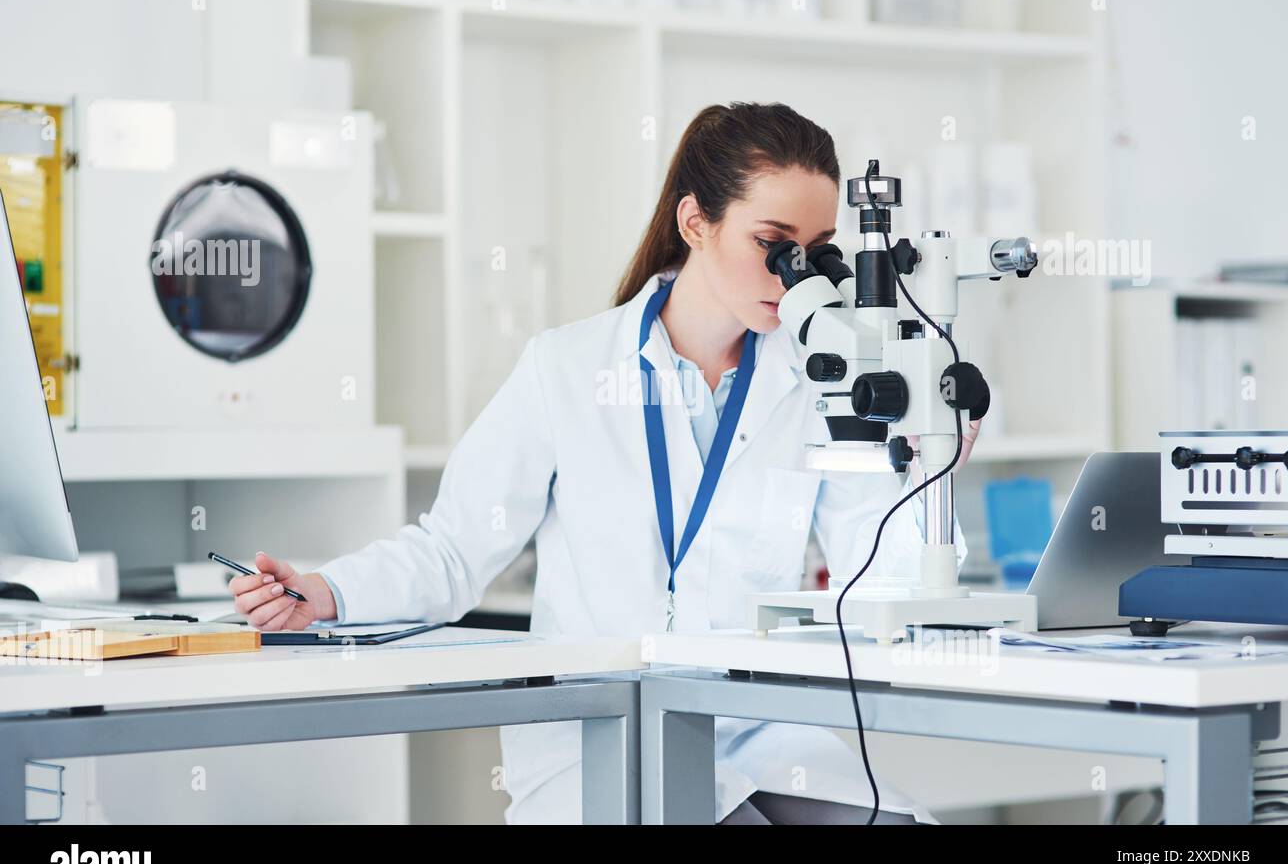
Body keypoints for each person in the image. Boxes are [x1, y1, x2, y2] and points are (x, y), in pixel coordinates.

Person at [227, 102, 979, 824]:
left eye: (816, 254)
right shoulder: (568, 368)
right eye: (773, 245)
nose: (797, 278)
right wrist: (327, 592)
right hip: (599, 728)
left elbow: (880, 575)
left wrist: (928, 470)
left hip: (754, 727)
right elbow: (454, 548)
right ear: (696, 222)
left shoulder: (817, 378)